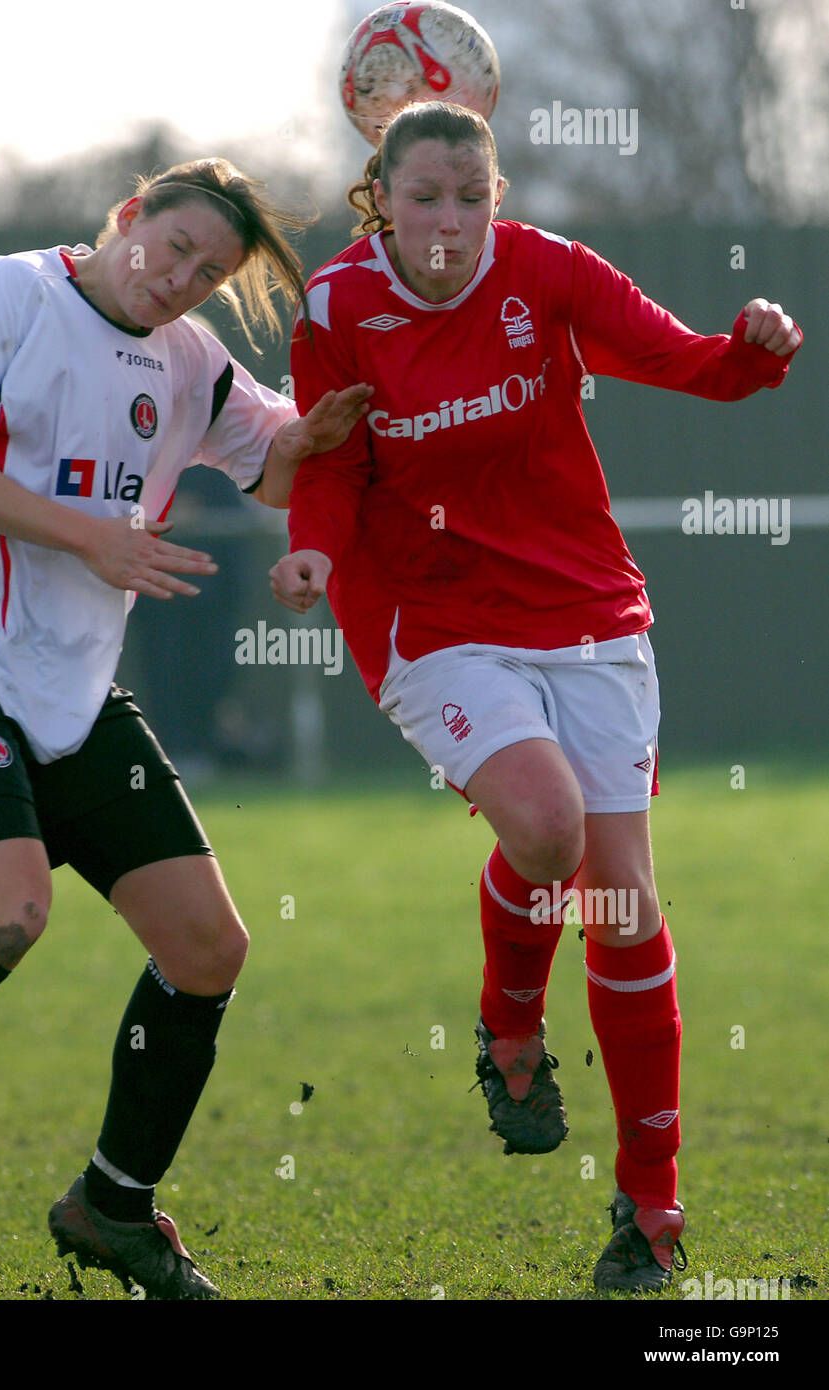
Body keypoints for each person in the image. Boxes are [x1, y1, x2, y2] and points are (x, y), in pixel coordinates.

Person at [0, 156, 372, 1301]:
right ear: (129, 213)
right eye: (172, 247)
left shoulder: (191, 360)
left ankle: (113, 1203)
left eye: (209, 273)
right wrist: (88, 536)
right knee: (8, 907)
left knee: (208, 948)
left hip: (71, 695)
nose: (181, 279)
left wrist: (320, 436)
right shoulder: (14, 294)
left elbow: (275, 463)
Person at [270, 101, 801, 1294]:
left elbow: (691, 365)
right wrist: (310, 547)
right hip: (435, 617)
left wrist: (754, 348)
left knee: (618, 904)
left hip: (587, 609)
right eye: (425, 198)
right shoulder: (336, 308)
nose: (449, 220)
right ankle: (512, 1022)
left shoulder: (549, 271)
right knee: (550, 829)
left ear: (496, 196)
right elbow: (332, 459)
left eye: (471, 195)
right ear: (382, 200)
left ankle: (651, 1214)